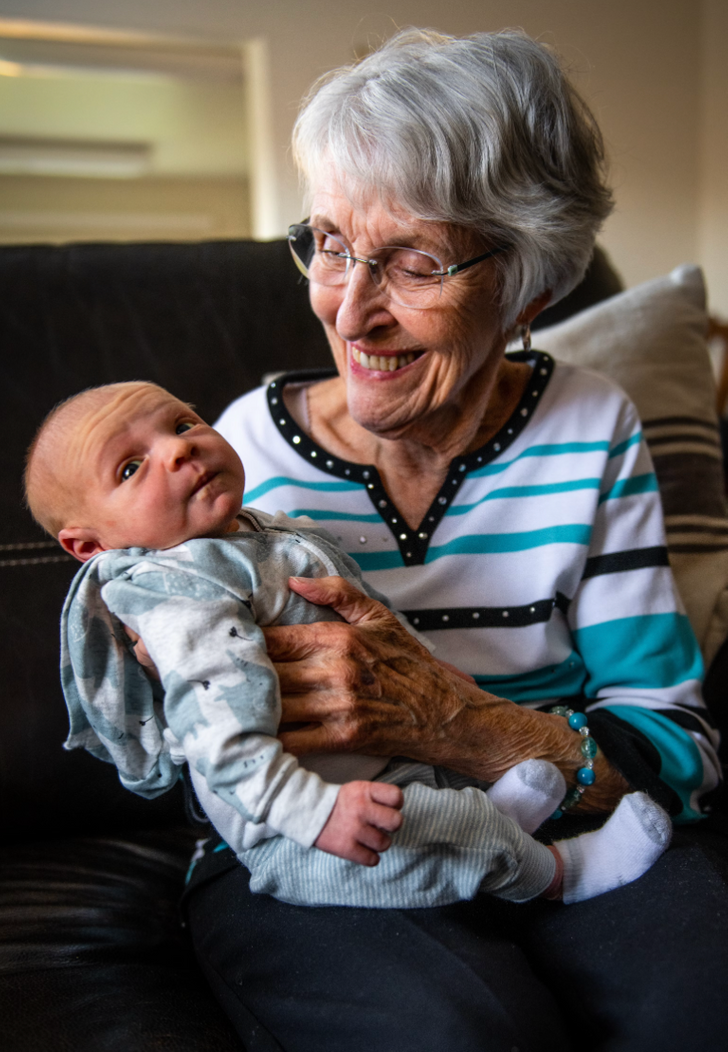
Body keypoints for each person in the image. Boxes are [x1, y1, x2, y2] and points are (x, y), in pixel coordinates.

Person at [181, 26, 727, 1052]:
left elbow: (676, 746)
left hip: (567, 816)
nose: (349, 311)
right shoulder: (234, 455)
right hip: (329, 832)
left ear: (530, 287)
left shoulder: (590, 424)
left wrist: (461, 725)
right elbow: (197, 731)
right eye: (331, 244)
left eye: (412, 262)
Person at [25, 379, 670, 911]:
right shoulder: (177, 594)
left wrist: (445, 683)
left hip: (383, 772)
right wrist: (314, 813)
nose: (179, 451)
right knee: (427, 846)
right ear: (90, 546)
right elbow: (219, 733)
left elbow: (371, 621)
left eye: (184, 422)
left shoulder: (258, 533)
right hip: (304, 835)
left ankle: (497, 822)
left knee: (441, 814)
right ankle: (554, 874)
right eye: (132, 467)